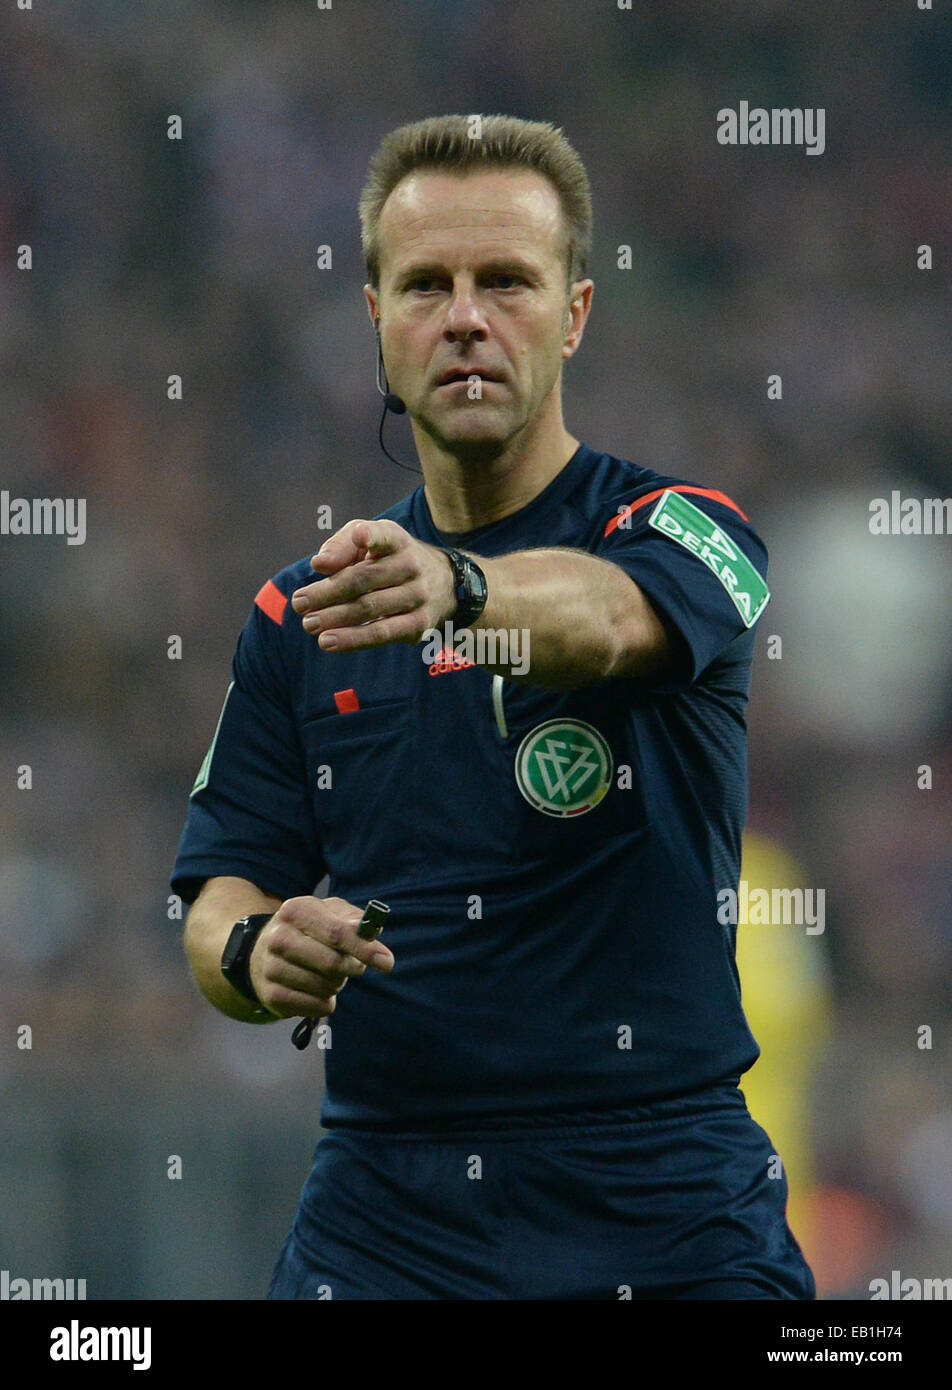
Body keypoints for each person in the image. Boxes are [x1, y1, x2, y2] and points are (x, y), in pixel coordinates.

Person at [171, 113, 815, 1301]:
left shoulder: (688, 527)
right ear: (375, 320)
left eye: (506, 280)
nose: (465, 315)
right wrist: (260, 950)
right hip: (387, 1213)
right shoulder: (298, 613)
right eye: (426, 283)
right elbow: (218, 894)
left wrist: (462, 588)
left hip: (663, 1201)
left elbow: (614, 618)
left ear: (573, 314)